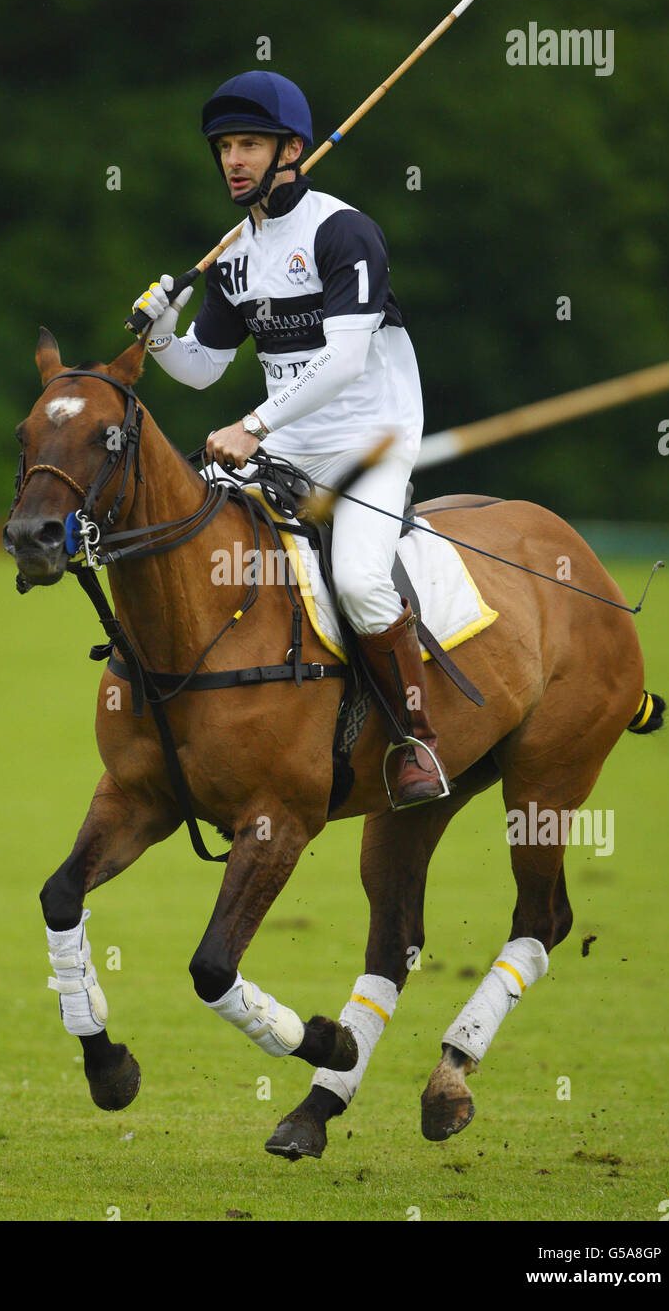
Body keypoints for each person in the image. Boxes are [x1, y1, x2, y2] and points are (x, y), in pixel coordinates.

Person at [131, 70, 448, 804]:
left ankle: (416, 741)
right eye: (224, 147)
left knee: (362, 582)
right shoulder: (235, 252)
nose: (233, 160)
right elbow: (205, 370)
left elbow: (343, 360)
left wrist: (254, 424)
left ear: (292, 150)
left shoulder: (345, 232)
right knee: (184, 537)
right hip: (287, 444)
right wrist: (161, 334)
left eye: (249, 144)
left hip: (371, 439)